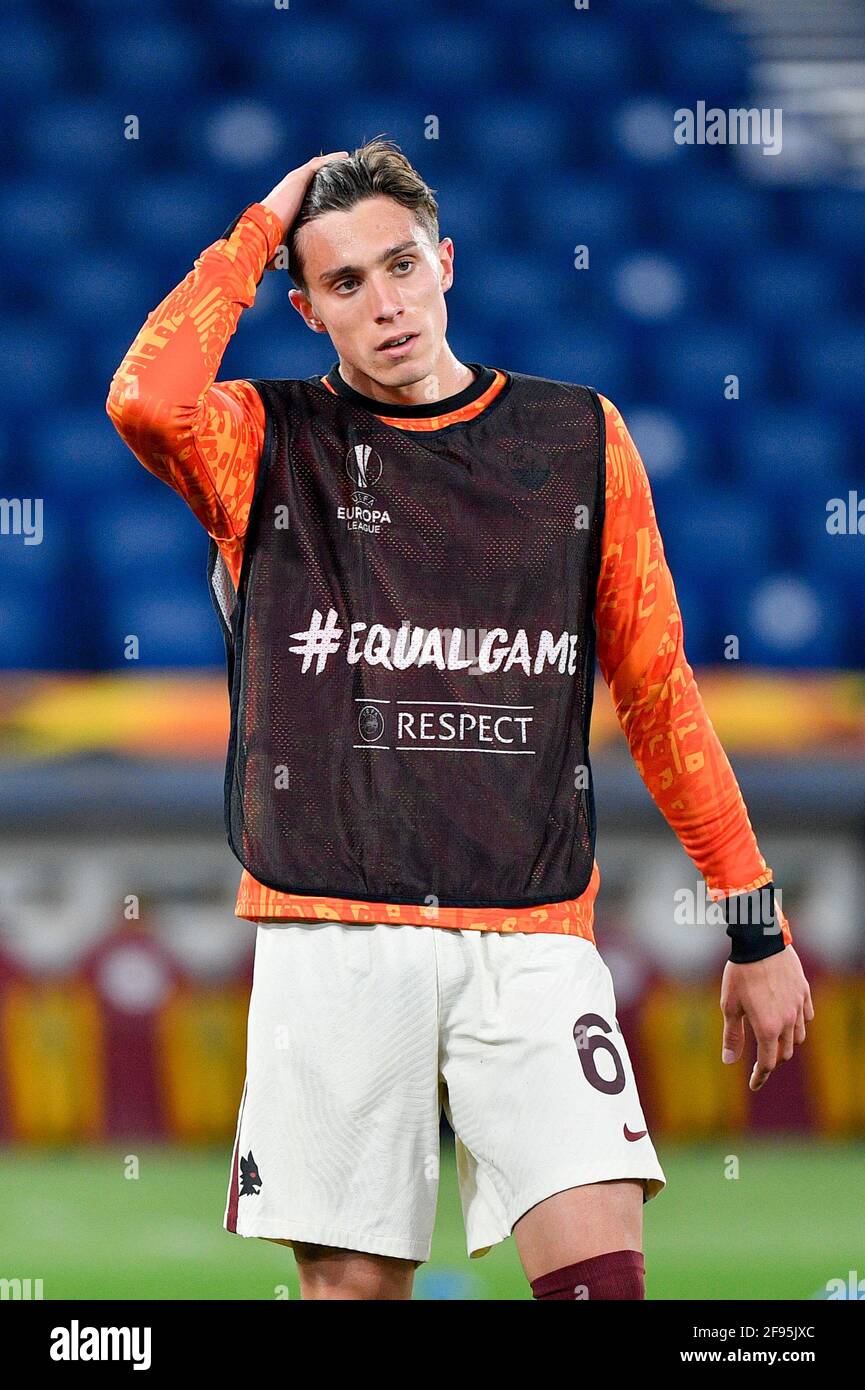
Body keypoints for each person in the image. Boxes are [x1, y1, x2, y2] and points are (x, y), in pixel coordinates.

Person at [106, 139, 813, 1301]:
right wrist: (260, 219)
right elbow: (145, 395)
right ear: (305, 309)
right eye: (343, 284)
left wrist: (752, 923)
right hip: (332, 931)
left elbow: (658, 690)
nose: (383, 304)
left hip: (531, 935)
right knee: (357, 1295)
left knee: (604, 1280)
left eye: (398, 267)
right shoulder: (262, 444)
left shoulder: (576, 438)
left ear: (446, 263)